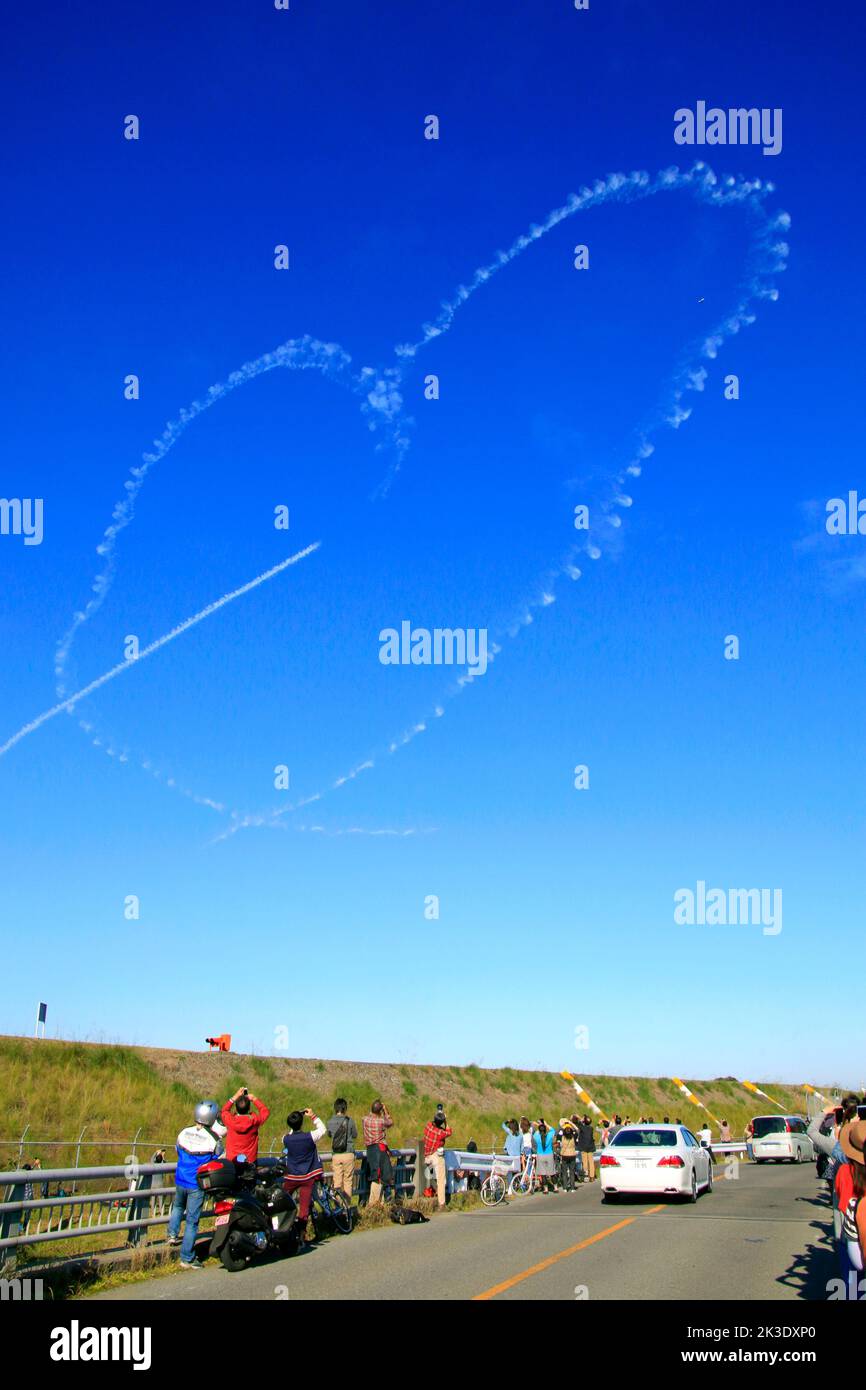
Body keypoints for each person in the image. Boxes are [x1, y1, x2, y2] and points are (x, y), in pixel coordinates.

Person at [168, 1099, 227, 1269]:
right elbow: (219, 1157)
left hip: (180, 1178)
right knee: (192, 1222)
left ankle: (172, 1234)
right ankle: (187, 1257)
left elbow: (177, 1149)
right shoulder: (214, 1138)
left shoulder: (184, 1132)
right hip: (196, 1183)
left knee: (178, 1207)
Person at [282, 1107, 327, 1247]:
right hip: (307, 1177)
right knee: (304, 1208)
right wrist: (313, 1116)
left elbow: (290, 1133)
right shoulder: (309, 1137)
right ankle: (301, 1235)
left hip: (291, 1177)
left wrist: (295, 1120)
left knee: (282, 1199)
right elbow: (322, 1129)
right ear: (301, 1124)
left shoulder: (286, 1139)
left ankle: (281, 1225)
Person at [221, 1086, 270, 1164]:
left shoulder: (230, 1121)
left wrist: (234, 1097)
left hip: (232, 1160)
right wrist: (254, 1099)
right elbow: (265, 1112)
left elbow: (224, 1111)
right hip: (250, 1161)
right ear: (249, 1108)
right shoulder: (254, 1121)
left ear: (236, 1108)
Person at [362, 1099, 395, 1206]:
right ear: (380, 1111)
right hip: (379, 1150)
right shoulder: (381, 1121)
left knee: (375, 1174)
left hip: (370, 1150)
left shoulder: (365, 1119)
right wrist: (385, 1111)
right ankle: (374, 1203)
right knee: (379, 1177)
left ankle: (378, 1202)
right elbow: (390, 1122)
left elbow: (370, 1115)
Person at [327, 1098, 358, 1203]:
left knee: (337, 1182)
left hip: (336, 1155)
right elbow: (355, 1135)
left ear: (335, 1108)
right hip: (348, 1153)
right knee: (348, 1181)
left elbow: (329, 1135)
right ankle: (346, 1207)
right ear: (345, 1108)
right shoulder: (350, 1121)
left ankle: (338, 1205)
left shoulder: (330, 1121)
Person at [423, 1108, 453, 1209]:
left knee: (434, 1178)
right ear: (441, 1122)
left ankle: (432, 1192)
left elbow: (433, 1122)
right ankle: (442, 1204)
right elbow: (449, 1132)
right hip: (436, 1156)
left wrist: (439, 1117)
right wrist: (446, 1121)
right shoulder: (440, 1133)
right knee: (441, 1180)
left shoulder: (428, 1126)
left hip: (427, 1156)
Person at [533, 1118, 556, 1193]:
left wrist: (539, 1125)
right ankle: (555, 1188)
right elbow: (553, 1130)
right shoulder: (549, 1135)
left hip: (540, 1155)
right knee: (552, 1172)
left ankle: (546, 1189)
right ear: (545, 1130)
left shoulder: (537, 1137)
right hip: (549, 1155)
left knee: (543, 1174)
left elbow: (535, 1133)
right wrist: (545, 1124)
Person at [558, 1120, 578, 1191]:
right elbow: (576, 1130)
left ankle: (565, 1188)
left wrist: (563, 1125)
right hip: (572, 1155)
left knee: (564, 1172)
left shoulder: (562, 1137)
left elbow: (558, 1132)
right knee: (572, 1171)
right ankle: (572, 1188)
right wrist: (571, 1123)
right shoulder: (574, 1136)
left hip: (564, 1155)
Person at [578, 1115, 596, 1182]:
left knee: (585, 1162)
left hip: (584, 1147)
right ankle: (592, 1176)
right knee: (591, 1162)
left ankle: (586, 1176)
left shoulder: (583, 1128)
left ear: (584, 1122)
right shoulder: (591, 1128)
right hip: (590, 1147)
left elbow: (579, 1123)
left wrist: (581, 1119)